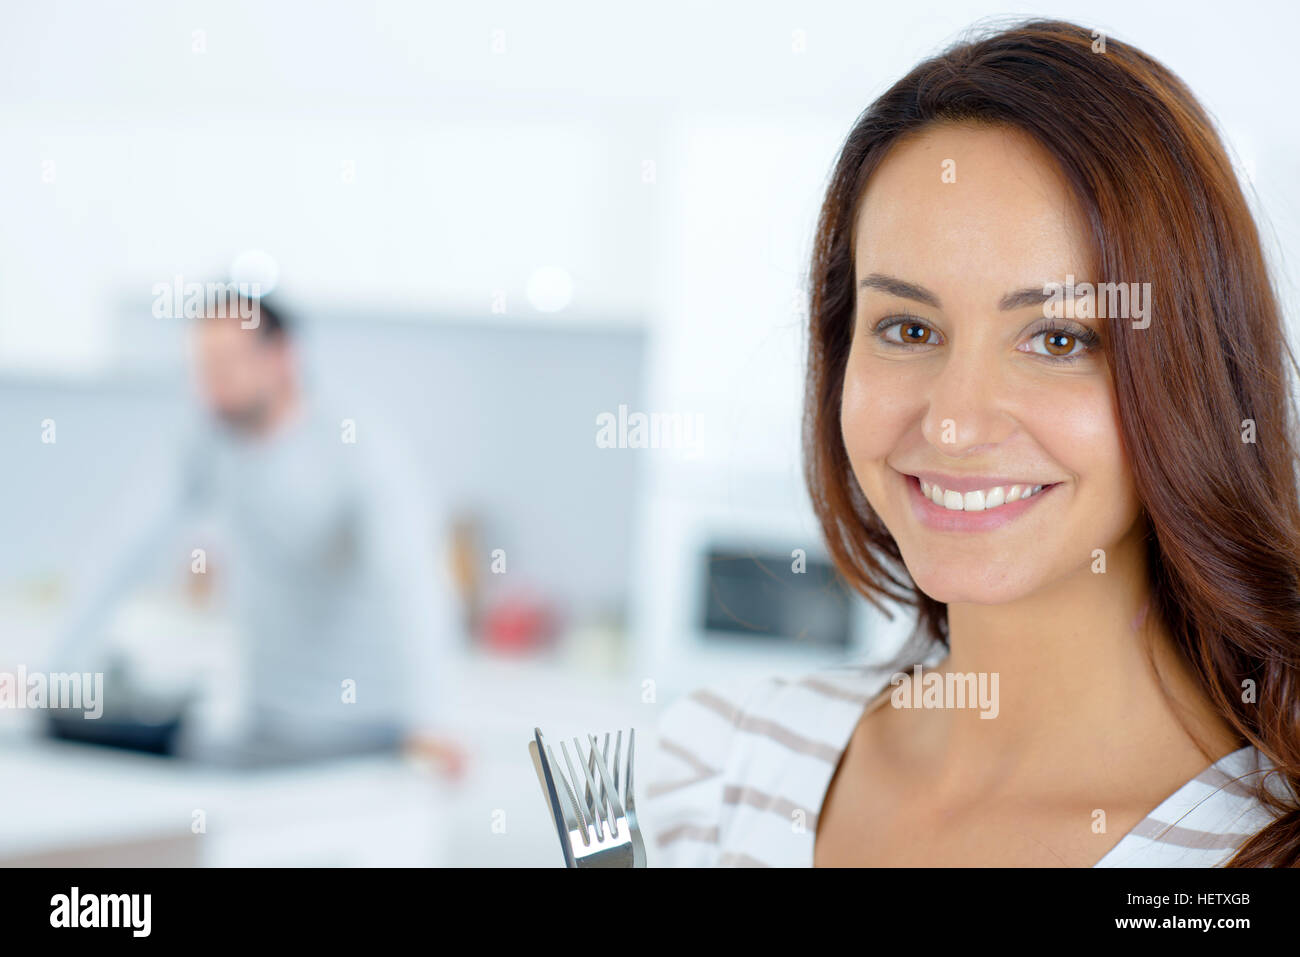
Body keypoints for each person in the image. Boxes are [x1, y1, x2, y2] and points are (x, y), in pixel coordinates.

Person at [646, 19, 1300, 866]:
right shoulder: (714, 768)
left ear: (1196, 374)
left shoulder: (1252, 855)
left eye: (1058, 339)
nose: (954, 420)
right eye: (910, 328)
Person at [52, 291, 467, 776]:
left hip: (369, 734)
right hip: (267, 726)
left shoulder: (356, 446)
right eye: (203, 368)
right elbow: (124, 548)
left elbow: (411, 579)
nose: (212, 386)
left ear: (282, 356)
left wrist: (434, 718)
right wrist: (52, 674)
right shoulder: (210, 441)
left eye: (227, 364)